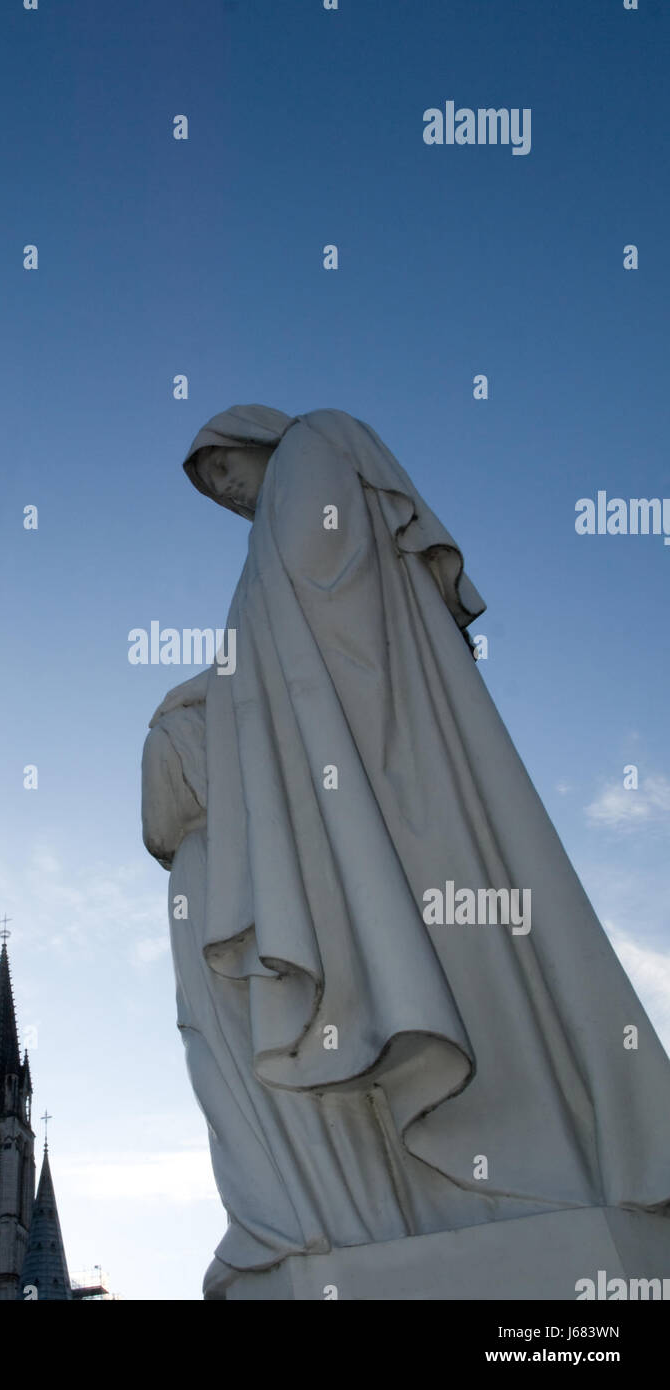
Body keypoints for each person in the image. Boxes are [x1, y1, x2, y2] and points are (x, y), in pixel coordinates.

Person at [141, 404, 670, 1298]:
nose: (230, 495)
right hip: (335, 765)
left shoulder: (316, 447)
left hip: (378, 761)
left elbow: (318, 595)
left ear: (255, 438)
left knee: (443, 952)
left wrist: (201, 691)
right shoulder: (266, 550)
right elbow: (274, 642)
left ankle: (510, 1167)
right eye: (218, 490)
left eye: (226, 472)